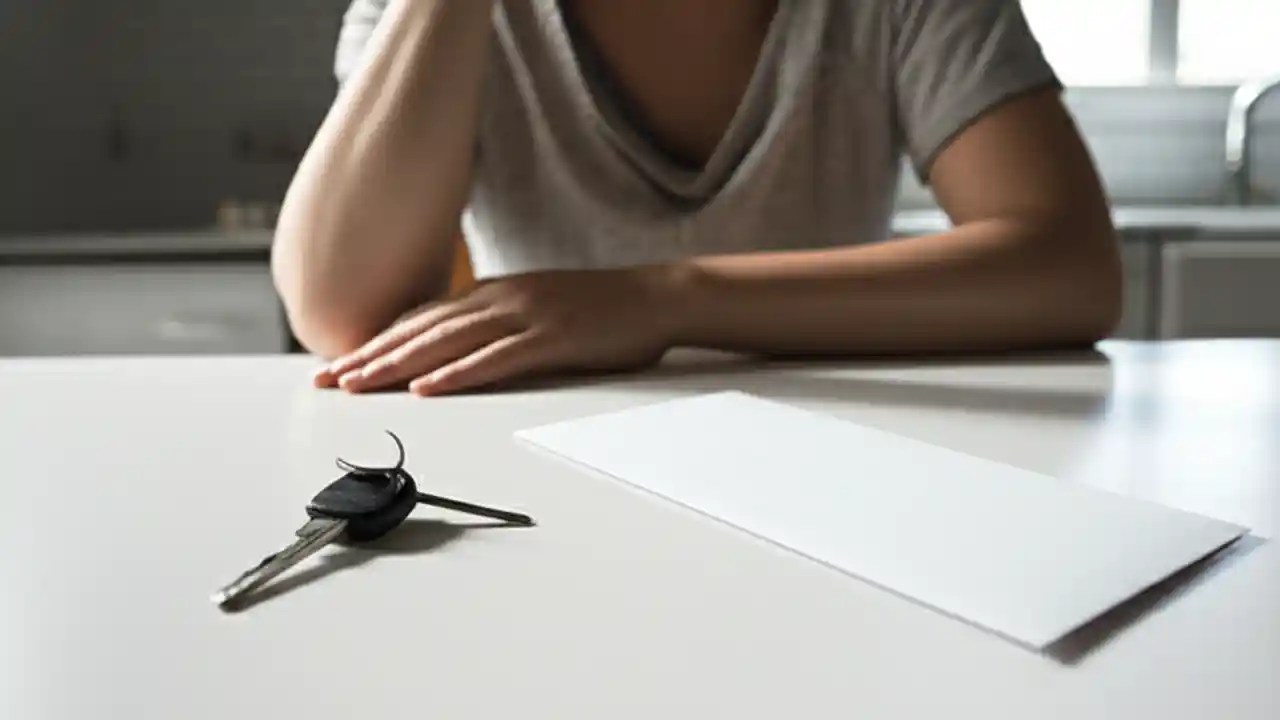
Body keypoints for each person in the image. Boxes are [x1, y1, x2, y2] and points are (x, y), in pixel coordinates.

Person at [273, 0, 1121, 396]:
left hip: (839, 456)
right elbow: (342, 309)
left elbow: (1069, 265)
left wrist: (663, 299)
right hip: (540, 472)